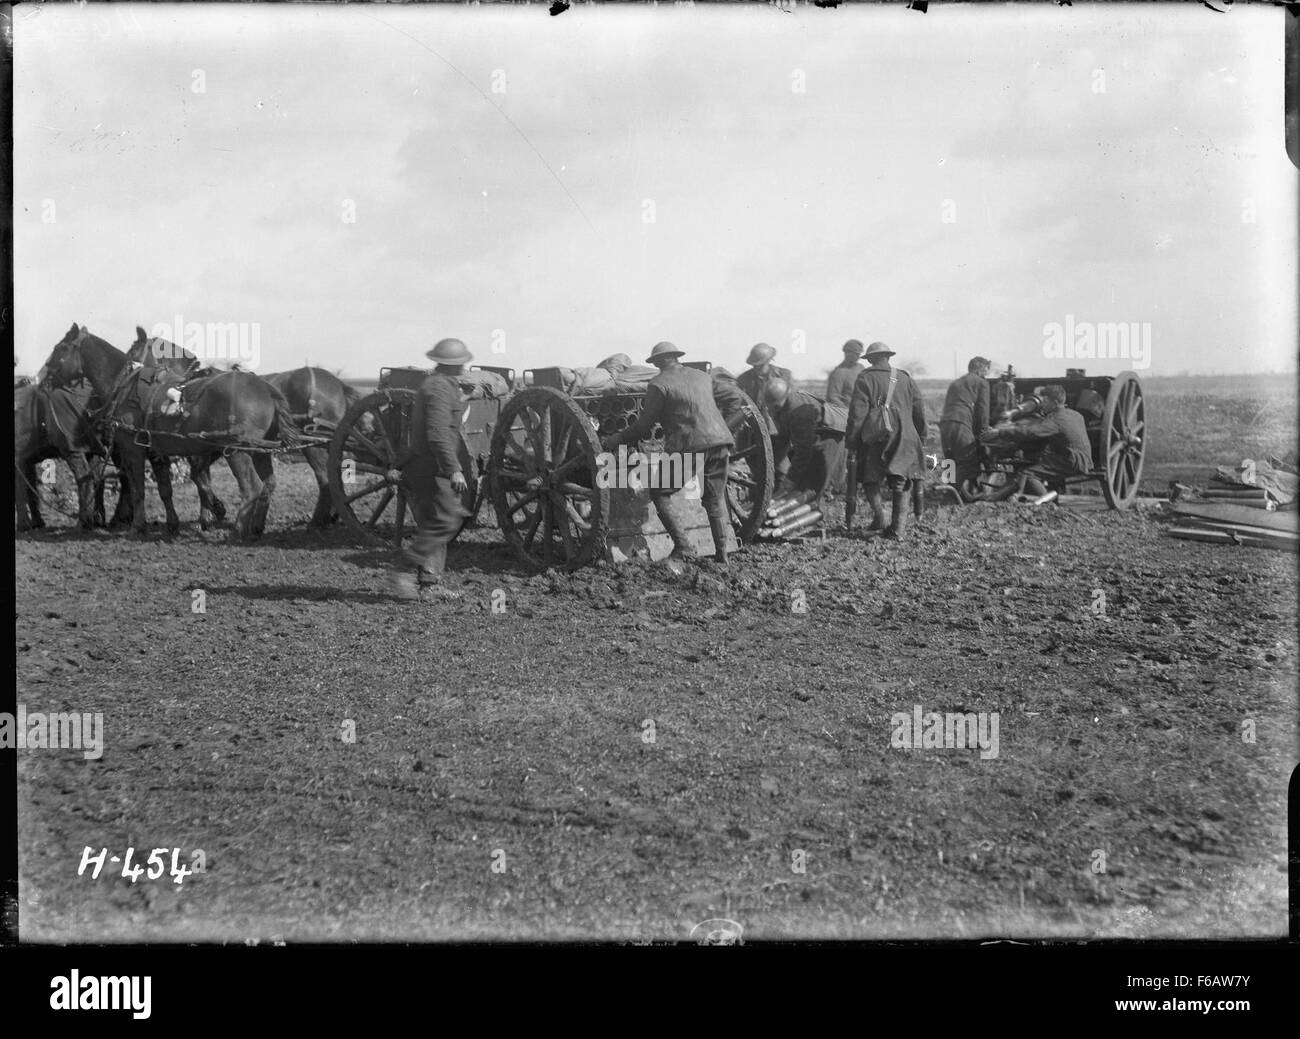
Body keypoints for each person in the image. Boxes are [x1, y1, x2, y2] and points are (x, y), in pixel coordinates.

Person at [602, 342, 734, 566]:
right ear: (676, 357)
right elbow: (734, 397)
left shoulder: (659, 383)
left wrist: (617, 439)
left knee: (660, 491)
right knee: (714, 498)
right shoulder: (702, 376)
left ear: (658, 362)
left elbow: (644, 426)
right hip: (721, 442)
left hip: (690, 445)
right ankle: (722, 556)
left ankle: (683, 546)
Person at [388, 338, 474, 601]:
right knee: (445, 520)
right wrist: (454, 469)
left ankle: (429, 585)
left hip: (429, 467)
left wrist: (462, 398)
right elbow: (437, 434)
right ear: (453, 365)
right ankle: (405, 566)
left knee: (437, 521)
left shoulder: (440, 385)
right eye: (460, 364)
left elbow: (445, 423)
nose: (463, 369)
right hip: (431, 468)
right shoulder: (438, 388)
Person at [845, 341, 927, 540]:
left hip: (877, 435)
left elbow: (857, 414)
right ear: (888, 357)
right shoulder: (905, 377)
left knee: (869, 477)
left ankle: (880, 518)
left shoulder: (865, 378)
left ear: (870, 359)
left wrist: (852, 441)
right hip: (906, 434)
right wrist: (920, 435)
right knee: (901, 479)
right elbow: (919, 409)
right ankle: (898, 529)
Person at [980, 383, 1092, 494]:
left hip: (1072, 461)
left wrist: (999, 432)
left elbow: (1031, 432)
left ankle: (1049, 506)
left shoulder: (1056, 420)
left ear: (1055, 402)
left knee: (1027, 474)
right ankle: (1045, 499)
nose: (1043, 404)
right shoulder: (1076, 415)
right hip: (1084, 459)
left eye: (1046, 401)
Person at [763, 378, 846, 505]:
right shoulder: (781, 407)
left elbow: (804, 451)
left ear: (785, 397)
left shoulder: (799, 412)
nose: (772, 410)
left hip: (831, 434)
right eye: (770, 407)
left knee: (815, 481)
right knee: (799, 474)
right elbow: (783, 438)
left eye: (775, 407)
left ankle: (816, 512)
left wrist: (790, 479)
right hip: (814, 433)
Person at [736, 342, 792, 477]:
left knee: (781, 468)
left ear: (769, 361)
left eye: (760, 365)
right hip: (753, 431)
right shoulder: (744, 379)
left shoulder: (784, 376)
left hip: (778, 430)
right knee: (757, 468)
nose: (756, 368)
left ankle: (779, 492)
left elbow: (790, 401)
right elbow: (738, 404)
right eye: (754, 365)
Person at [940, 356, 992, 491]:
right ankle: (953, 492)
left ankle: (947, 487)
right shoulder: (981, 383)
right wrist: (984, 431)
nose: (987, 373)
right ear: (980, 369)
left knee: (950, 460)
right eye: (987, 369)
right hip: (961, 423)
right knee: (969, 461)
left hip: (945, 423)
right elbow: (982, 410)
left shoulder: (955, 383)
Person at [825, 339, 865, 407]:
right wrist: (846, 411)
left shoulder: (861, 368)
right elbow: (832, 397)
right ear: (846, 353)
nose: (857, 357)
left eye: (858, 354)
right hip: (847, 412)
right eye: (854, 354)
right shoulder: (838, 373)